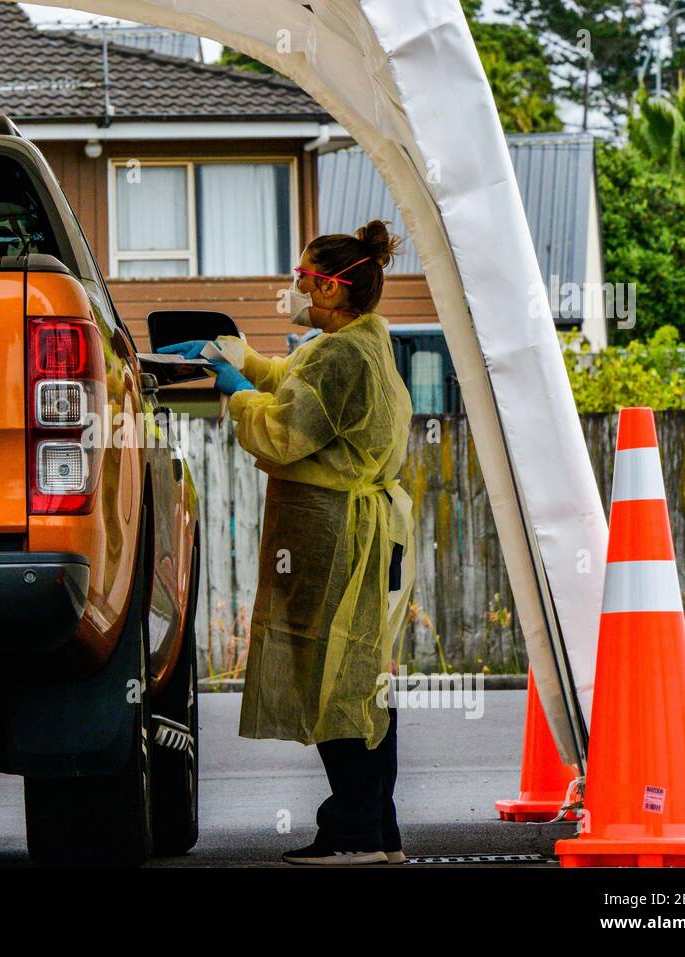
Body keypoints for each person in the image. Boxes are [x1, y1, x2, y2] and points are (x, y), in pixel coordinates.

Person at [159, 221, 416, 865]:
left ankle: (355, 833)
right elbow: (294, 380)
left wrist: (240, 394)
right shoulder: (353, 342)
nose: (294, 287)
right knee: (357, 680)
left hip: (337, 538)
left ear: (330, 287)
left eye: (302, 277)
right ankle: (376, 830)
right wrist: (240, 358)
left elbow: (286, 432)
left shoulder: (341, 356)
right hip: (352, 533)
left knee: (339, 682)